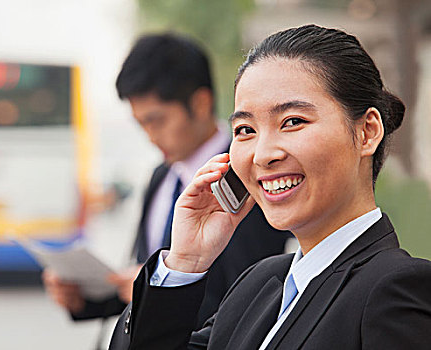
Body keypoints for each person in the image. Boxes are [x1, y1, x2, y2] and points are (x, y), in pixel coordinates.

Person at [109, 24, 431, 349]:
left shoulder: (396, 289)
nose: (263, 155)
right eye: (245, 129)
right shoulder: (257, 286)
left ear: (367, 132)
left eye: (292, 122)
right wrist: (184, 263)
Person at [43, 33, 290, 328]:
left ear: (200, 103)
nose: (150, 135)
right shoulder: (161, 176)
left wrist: (160, 285)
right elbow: (142, 273)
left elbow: (250, 299)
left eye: (156, 120)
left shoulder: (247, 176)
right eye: (141, 124)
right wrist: (84, 299)